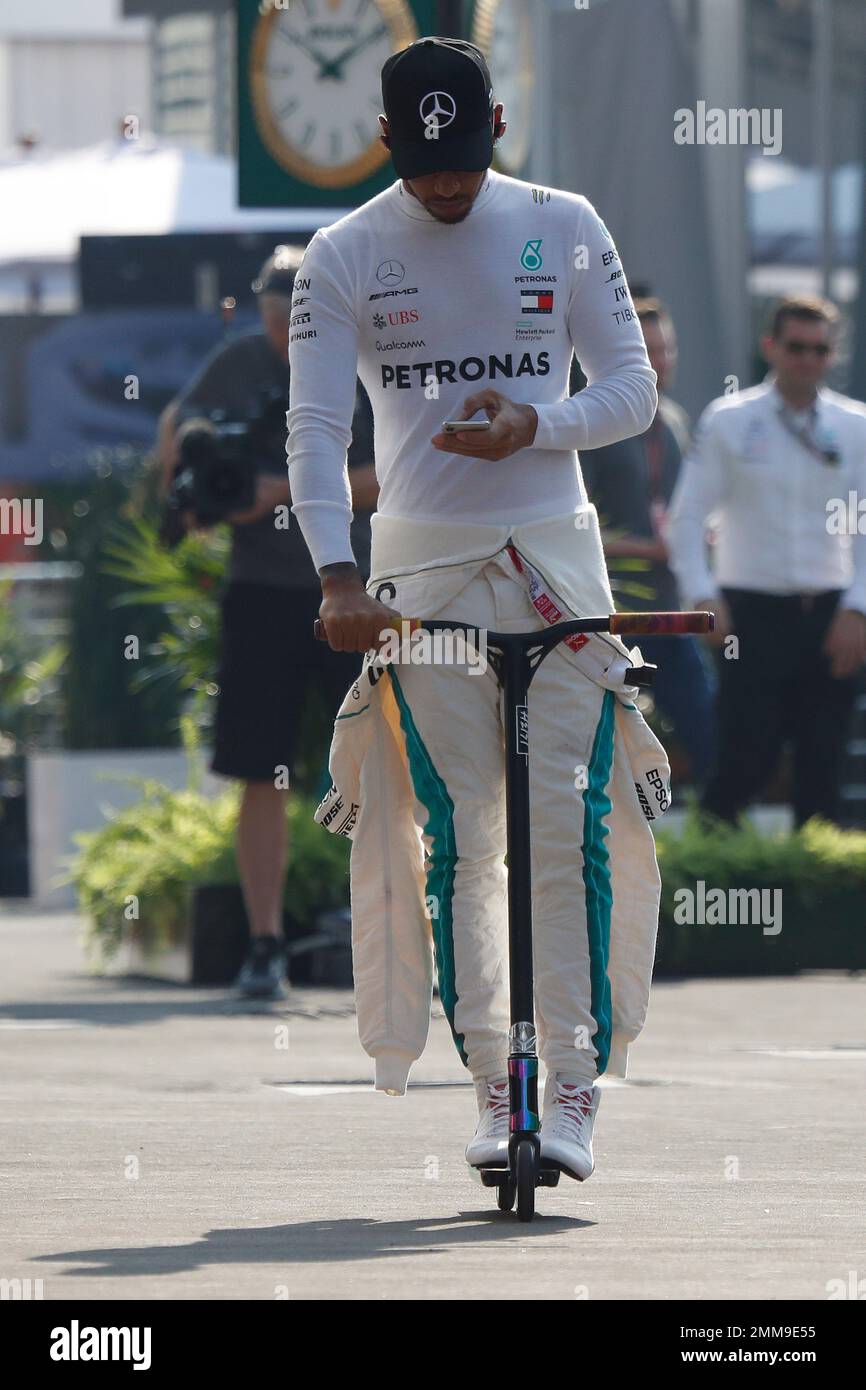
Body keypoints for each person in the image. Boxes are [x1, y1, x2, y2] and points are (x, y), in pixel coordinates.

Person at [287, 37, 663, 1182]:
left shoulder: (566, 218)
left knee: (564, 821)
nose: (443, 184)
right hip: (417, 578)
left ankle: (572, 1088)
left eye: (461, 157)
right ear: (387, 144)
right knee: (462, 841)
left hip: (553, 561)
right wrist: (334, 576)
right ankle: (492, 1083)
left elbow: (633, 393)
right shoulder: (339, 252)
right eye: (420, 162)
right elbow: (312, 432)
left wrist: (533, 428)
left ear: (497, 125)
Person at [157, 247, 378, 998]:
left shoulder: (365, 357)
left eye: (296, 317)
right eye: (273, 317)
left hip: (357, 589)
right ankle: (263, 944)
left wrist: (281, 490)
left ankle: (392, 937)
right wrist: (189, 487)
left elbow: (399, 470)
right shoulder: (240, 361)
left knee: (385, 763)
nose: (283, 332)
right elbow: (178, 428)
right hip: (262, 592)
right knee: (260, 772)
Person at [668, 294, 866, 827]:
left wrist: (859, 610)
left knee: (823, 764)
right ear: (771, 347)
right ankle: (711, 886)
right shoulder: (730, 419)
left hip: (831, 612)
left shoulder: (856, 426)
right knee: (743, 756)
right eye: (797, 347)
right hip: (749, 611)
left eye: (820, 350)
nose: (808, 360)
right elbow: (687, 517)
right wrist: (703, 595)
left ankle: (816, 897)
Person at [580, 299, 717, 786]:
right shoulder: (597, 420)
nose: (660, 362)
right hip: (611, 610)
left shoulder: (675, 420)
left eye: (667, 350)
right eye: (649, 350)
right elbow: (575, 524)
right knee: (601, 735)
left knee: (704, 724)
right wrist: (649, 549)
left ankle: (710, 838)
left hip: (669, 607)